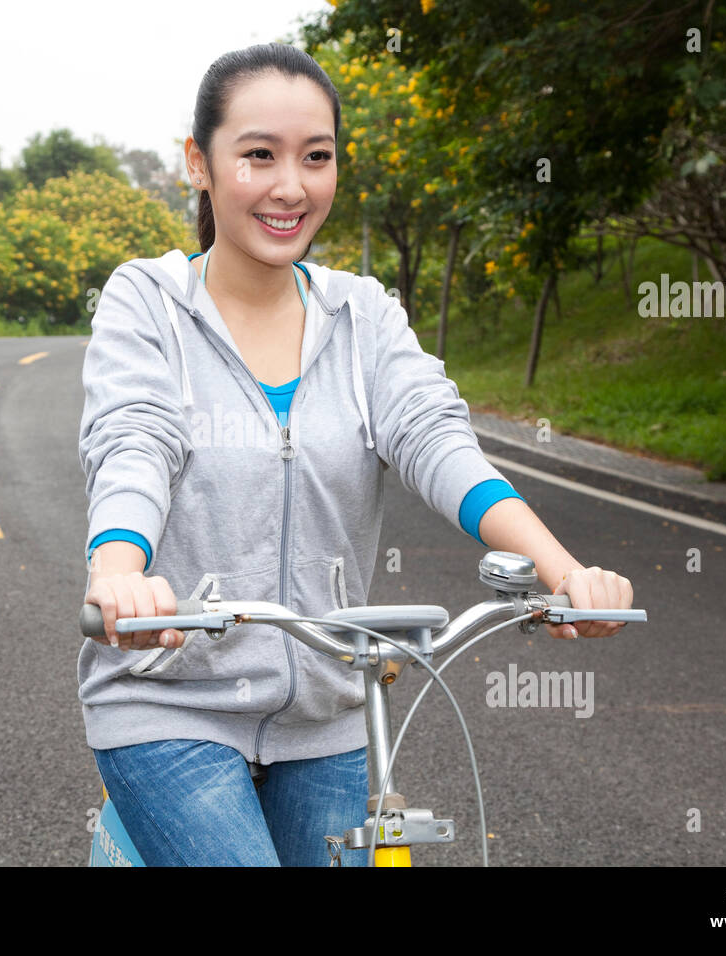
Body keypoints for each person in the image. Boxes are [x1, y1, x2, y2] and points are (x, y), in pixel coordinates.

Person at [77, 42, 633, 867]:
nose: (290, 187)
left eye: (317, 157)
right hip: (169, 705)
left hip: (332, 715)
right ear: (199, 162)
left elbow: (435, 441)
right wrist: (117, 572)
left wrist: (562, 571)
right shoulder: (148, 302)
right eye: (258, 155)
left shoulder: (363, 315)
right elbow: (135, 441)